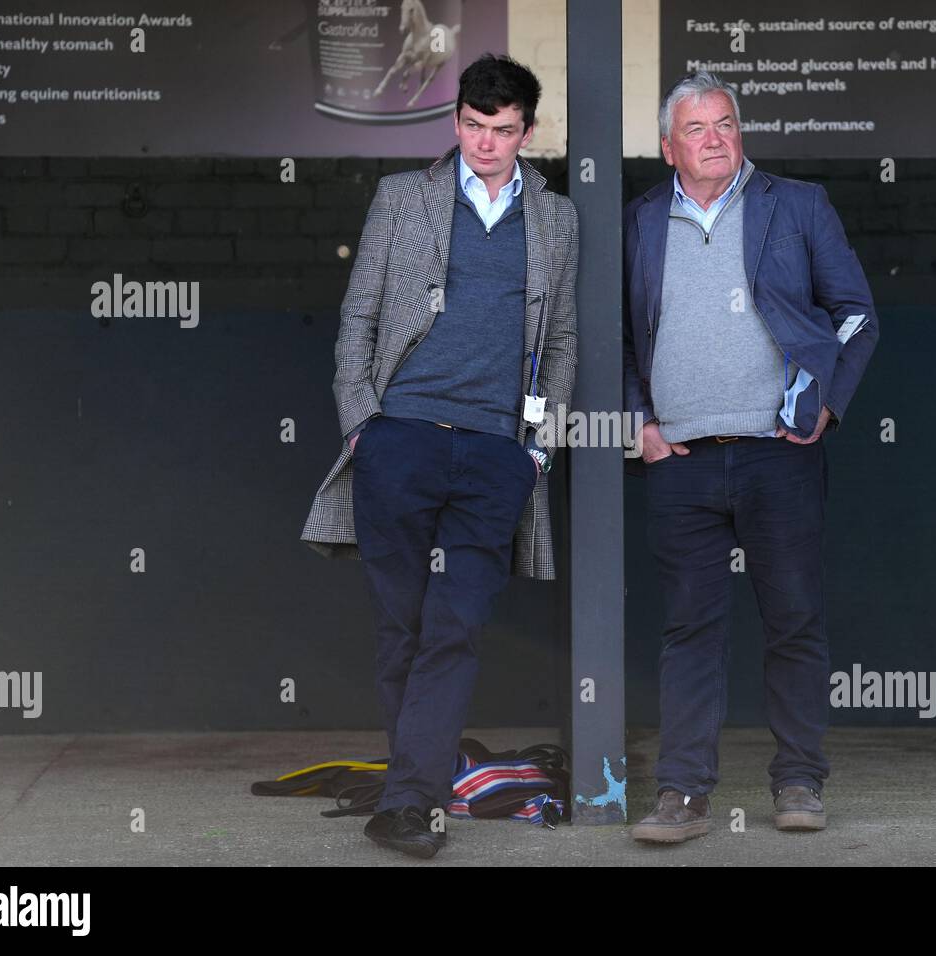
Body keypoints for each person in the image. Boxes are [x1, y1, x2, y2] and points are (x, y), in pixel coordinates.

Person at [300, 53, 578, 858]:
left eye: (503, 130)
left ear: (527, 132)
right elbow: (357, 321)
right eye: (473, 126)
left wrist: (537, 451)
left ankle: (409, 801)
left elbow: (559, 343)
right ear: (455, 122)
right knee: (403, 628)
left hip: (495, 453)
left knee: (455, 628)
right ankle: (413, 796)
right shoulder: (402, 198)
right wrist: (363, 426)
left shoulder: (556, 221)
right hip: (402, 440)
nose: (486, 143)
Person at [623, 71, 878, 843]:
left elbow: (857, 315)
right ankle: (683, 794)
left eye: (726, 124)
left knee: (794, 622)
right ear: (669, 147)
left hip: (779, 452)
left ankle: (799, 781)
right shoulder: (639, 222)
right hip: (681, 460)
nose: (715, 138)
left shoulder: (796, 205)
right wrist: (641, 424)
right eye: (697, 128)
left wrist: (826, 405)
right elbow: (615, 337)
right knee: (689, 629)